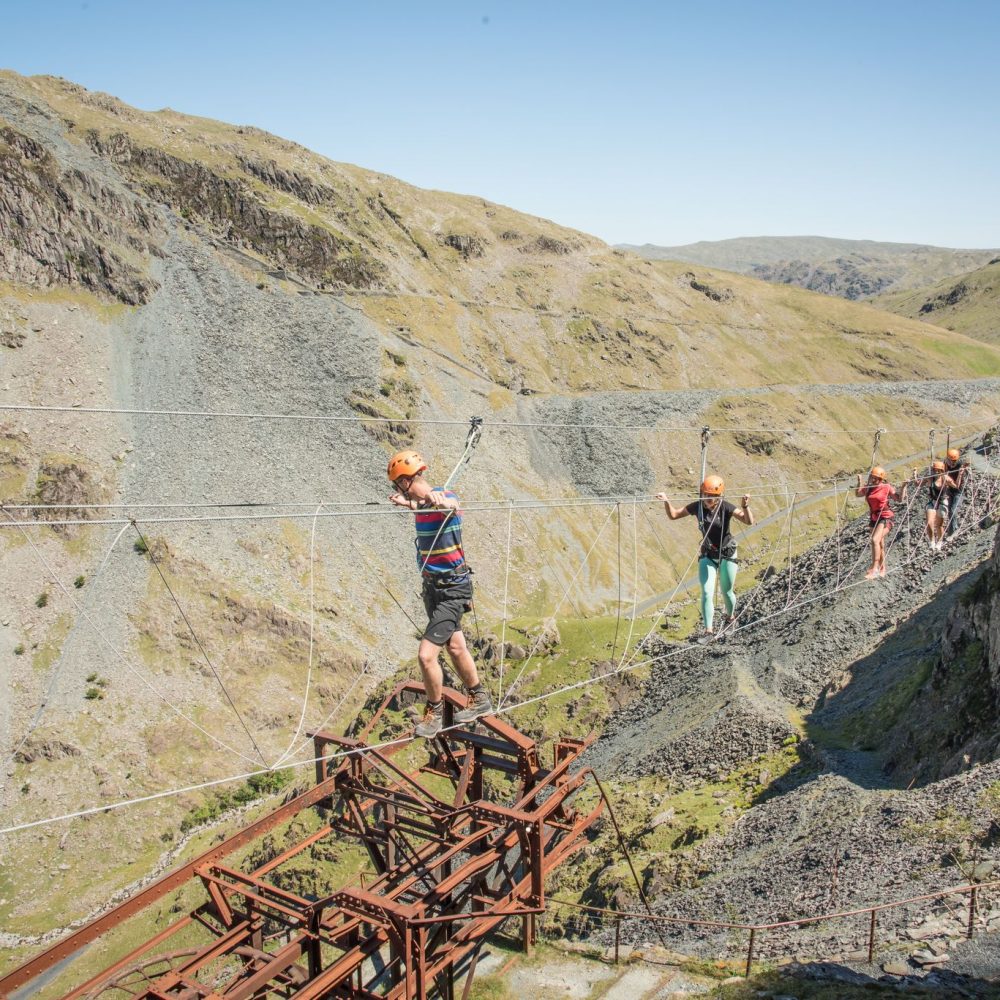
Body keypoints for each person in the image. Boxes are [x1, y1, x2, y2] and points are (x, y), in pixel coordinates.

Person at [387, 449, 493, 737]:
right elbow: (425, 508)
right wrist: (407, 503)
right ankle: (480, 697)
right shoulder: (420, 504)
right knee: (456, 647)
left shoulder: (444, 495)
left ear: (405, 481)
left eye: (398, 485)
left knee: (426, 656)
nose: (397, 490)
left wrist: (439, 500)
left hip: (452, 589)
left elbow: (450, 506)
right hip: (433, 589)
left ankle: (432, 715)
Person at [655, 475, 754, 638]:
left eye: (712, 497)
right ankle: (708, 631)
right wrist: (666, 501)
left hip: (727, 553)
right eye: (705, 495)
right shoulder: (697, 507)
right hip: (707, 555)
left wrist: (746, 506)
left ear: (719, 496)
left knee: (727, 591)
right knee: (707, 593)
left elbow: (747, 521)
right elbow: (673, 515)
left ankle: (730, 618)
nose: (707, 499)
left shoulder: (726, 507)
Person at [855, 466, 899, 578]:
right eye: (872, 477)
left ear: (881, 479)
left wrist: (903, 487)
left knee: (875, 540)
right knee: (880, 544)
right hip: (874, 518)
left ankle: (874, 568)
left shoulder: (886, 487)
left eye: (877, 478)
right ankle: (883, 568)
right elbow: (858, 494)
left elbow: (898, 498)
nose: (874, 480)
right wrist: (859, 482)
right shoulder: (869, 487)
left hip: (885, 516)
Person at [911, 459, 958, 551]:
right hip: (932, 501)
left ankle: (939, 542)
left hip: (942, 502)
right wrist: (915, 475)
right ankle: (932, 542)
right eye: (934, 470)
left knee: (939, 525)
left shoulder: (945, 478)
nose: (935, 471)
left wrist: (953, 478)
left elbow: (956, 486)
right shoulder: (930, 477)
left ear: (941, 470)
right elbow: (918, 484)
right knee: (929, 523)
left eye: (938, 470)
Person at [944, 447, 969, 538]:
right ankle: (950, 533)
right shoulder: (946, 464)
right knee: (950, 513)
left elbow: (957, 485)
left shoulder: (960, 465)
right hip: (950, 490)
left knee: (953, 511)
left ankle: (955, 529)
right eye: (950, 461)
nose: (952, 463)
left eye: (954, 461)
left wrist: (962, 471)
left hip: (959, 491)